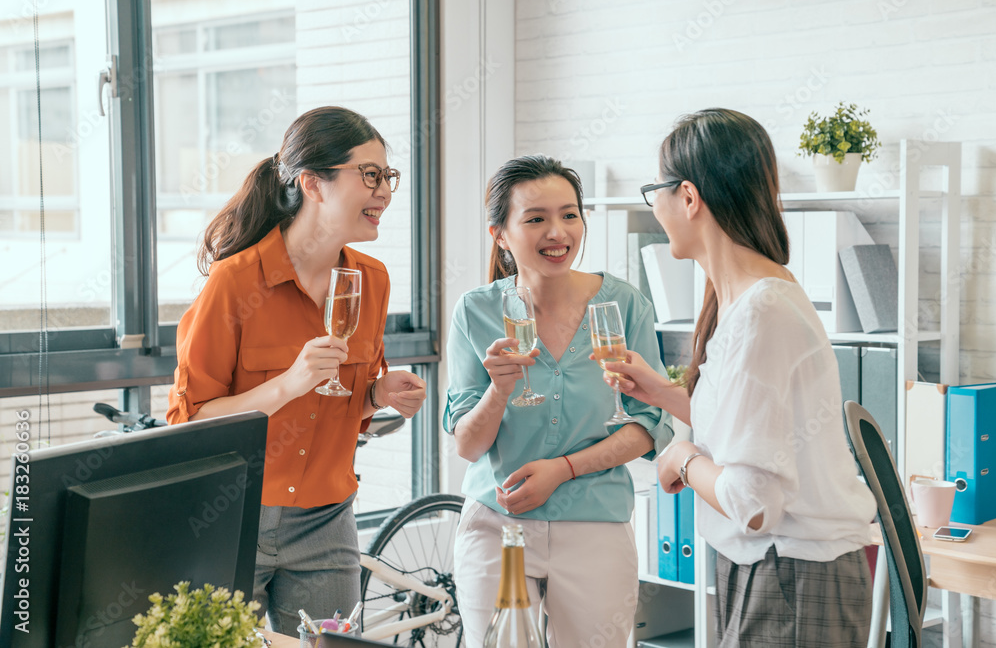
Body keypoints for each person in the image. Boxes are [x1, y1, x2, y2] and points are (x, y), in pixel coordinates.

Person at [603, 108, 877, 647]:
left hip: (792, 574)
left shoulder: (761, 311)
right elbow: (751, 429)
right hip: (772, 568)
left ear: (688, 197)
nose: (654, 206)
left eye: (654, 190)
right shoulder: (749, 297)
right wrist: (663, 394)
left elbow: (753, 502)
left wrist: (681, 458)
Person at [166, 106, 427, 637]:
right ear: (312, 182)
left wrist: (376, 394)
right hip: (231, 517)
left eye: (388, 177)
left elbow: (345, 406)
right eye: (370, 175)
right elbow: (190, 421)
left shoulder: (371, 281)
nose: (385, 193)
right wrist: (287, 383)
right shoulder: (235, 283)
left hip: (328, 519)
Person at [444, 154, 674, 647]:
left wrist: (564, 469)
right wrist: (499, 390)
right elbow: (467, 444)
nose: (558, 232)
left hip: (595, 525)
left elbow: (647, 425)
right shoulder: (476, 311)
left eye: (569, 215)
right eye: (535, 218)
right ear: (500, 234)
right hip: (497, 524)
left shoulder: (624, 304)